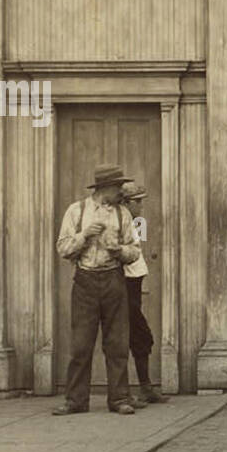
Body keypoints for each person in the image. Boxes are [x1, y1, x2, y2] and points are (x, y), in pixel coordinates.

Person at [53, 164, 143, 416]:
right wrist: (84, 235)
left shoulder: (123, 214)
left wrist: (120, 251)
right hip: (85, 280)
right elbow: (62, 248)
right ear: (105, 188)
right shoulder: (76, 211)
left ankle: (119, 398)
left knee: (117, 342)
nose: (121, 191)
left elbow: (135, 251)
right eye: (117, 187)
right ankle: (76, 401)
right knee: (81, 344)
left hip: (114, 278)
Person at [119, 181, 169, 407]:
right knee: (130, 336)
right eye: (138, 201)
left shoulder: (130, 222)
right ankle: (129, 392)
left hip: (134, 284)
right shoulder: (119, 221)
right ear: (127, 202)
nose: (141, 206)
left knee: (140, 337)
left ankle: (145, 388)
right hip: (124, 285)